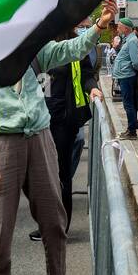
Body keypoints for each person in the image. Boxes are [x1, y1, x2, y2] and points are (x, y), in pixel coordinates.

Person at [0, 0, 112, 275]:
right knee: (2, 225)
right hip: (1, 140)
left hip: (39, 134)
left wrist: (98, 28)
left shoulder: (31, 47)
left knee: (54, 220)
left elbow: (66, 50)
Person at [44, 16, 103, 232]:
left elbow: (87, 74)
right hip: (41, 118)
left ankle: (60, 225)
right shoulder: (41, 44)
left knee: (61, 173)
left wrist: (93, 88)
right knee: (44, 175)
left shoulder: (75, 47)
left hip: (65, 119)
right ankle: (48, 223)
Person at [111, 18, 138, 139]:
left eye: (119, 26)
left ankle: (132, 131)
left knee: (128, 104)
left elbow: (135, 62)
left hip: (127, 76)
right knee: (128, 103)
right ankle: (130, 129)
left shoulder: (132, 41)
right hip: (125, 75)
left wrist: (128, 69)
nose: (117, 28)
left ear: (125, 28)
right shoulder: (128, 40)